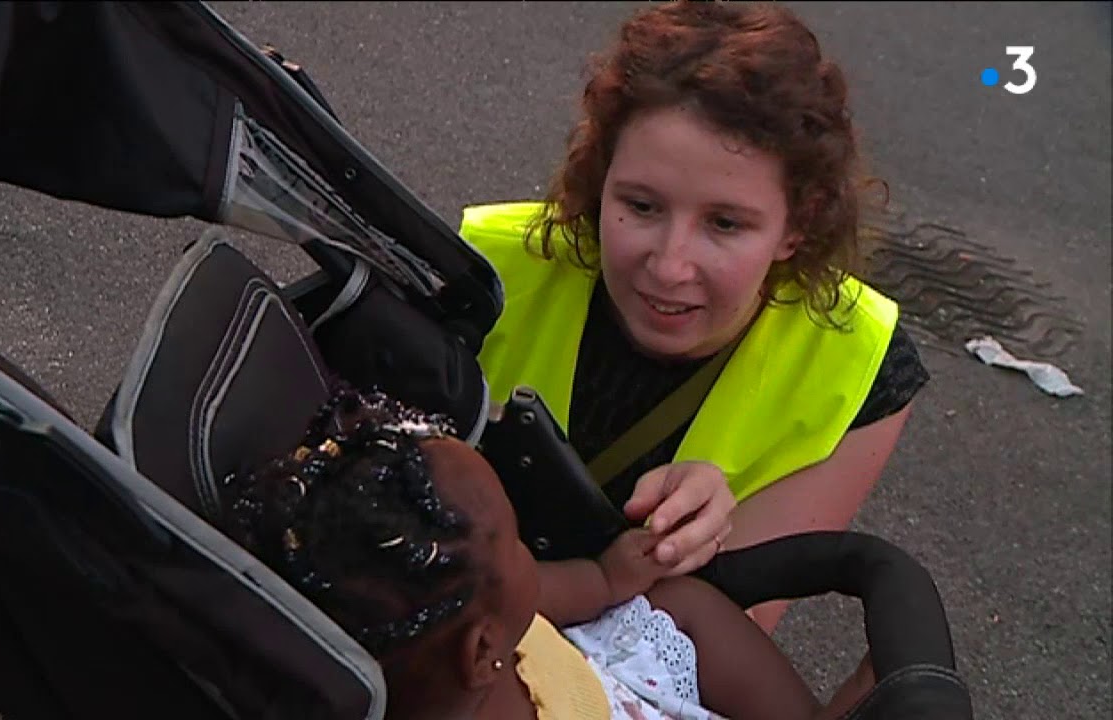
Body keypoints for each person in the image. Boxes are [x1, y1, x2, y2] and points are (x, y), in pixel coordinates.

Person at [458, 0, 929, 633]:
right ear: (603, 180)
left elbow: (713, 652)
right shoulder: (482, 262)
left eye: (725, 223)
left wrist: (706, 546)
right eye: (641, 206)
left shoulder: (864, 366)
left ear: (800, 222)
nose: (670, 265)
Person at [226, 384, 874, 720]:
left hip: (590, 674)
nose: (525, 551)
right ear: (482, 652)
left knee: (679, 604)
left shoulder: (454, 624)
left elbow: (563, 590)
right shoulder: (470, 620)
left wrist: (606, 573)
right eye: (513, 542)